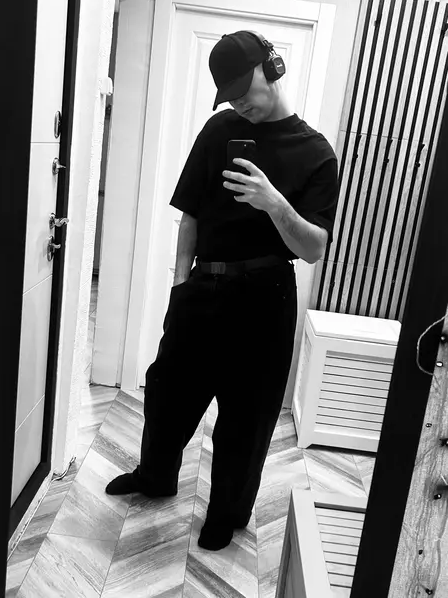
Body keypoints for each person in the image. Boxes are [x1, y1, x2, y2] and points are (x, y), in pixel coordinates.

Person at [106, 30, 339, 551]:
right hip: (203, 287)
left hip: (266, 297)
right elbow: (190, 213)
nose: (238, 104)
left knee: (247, 416)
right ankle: (155, 476)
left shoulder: (316, 153)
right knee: (167, 393)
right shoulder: (218, 131)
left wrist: (274, 202)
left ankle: (227, 512)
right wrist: (179, 286)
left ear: (272, 69)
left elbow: (314, 248)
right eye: (228, 96)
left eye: (242, 90)